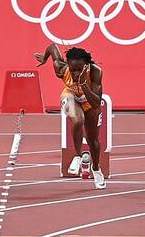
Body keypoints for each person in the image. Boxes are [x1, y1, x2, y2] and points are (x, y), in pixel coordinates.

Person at [35, 42, 106, 188]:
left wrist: (84, 84)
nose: (75, 74)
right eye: (73, 70)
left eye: (79, 70)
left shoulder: (95, 72)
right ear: (68, 66)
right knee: (78, 121)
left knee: (93, 140)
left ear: (86, 66)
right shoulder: (61, 69)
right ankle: (78, 155)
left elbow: (96, 103)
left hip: (90, 100)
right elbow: (53, 47)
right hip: (70, 96)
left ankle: (96, 169)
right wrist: (44, 58)